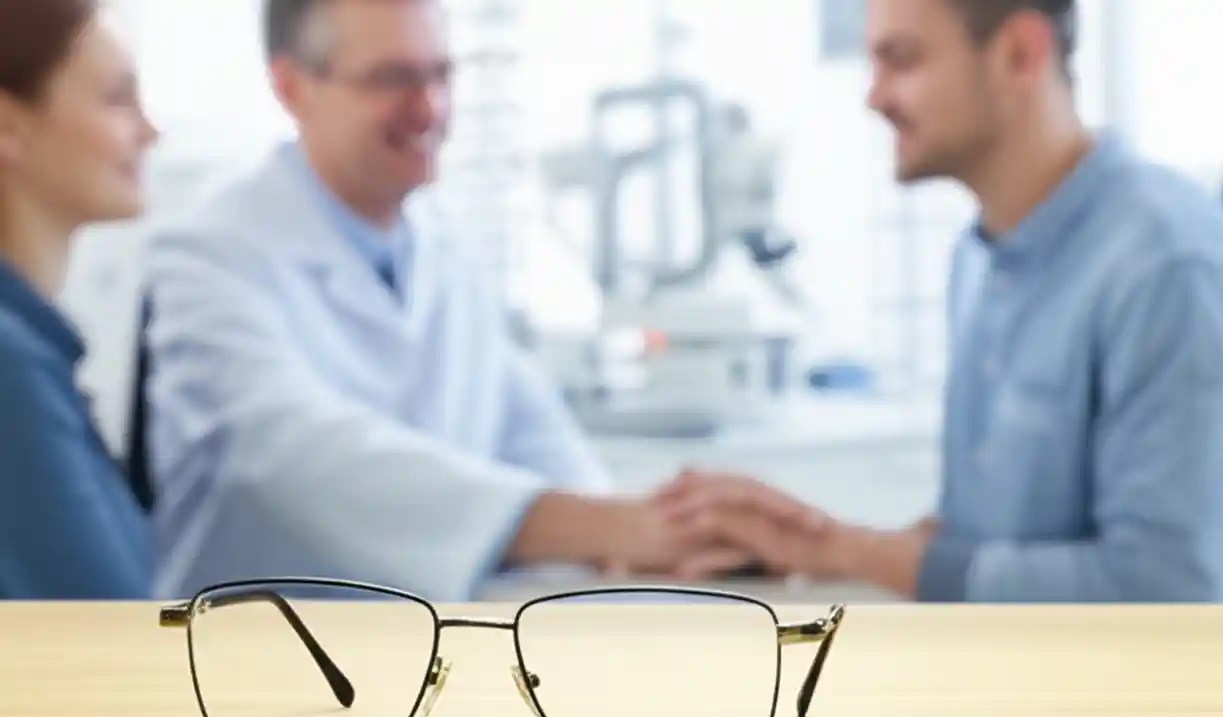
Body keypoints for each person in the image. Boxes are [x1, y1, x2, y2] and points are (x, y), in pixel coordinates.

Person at [145, 0, 826, 601]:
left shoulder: (444, 243)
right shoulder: (209, 255)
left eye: (441, 75)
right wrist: (606, 526)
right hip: (250, 668)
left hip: (420, 660)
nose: (430, 108)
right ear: (291, 86)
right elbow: (297, 451)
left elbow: (526, 424)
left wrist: (626, 537)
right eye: (392, 79)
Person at [662, 0, 1223, 601]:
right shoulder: (981, 259)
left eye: (901, 61)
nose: (873, 97)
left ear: (1017, 56)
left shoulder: (1173, 270)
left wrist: (858, 554)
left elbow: (1167, 594)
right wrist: (802, 539)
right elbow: (987, 539)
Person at [0, 0, 158, 598]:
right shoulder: (10, 370)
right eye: (118, 99)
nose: (149, 131)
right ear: (8, 126)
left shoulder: (31, 352)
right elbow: (114, 631)